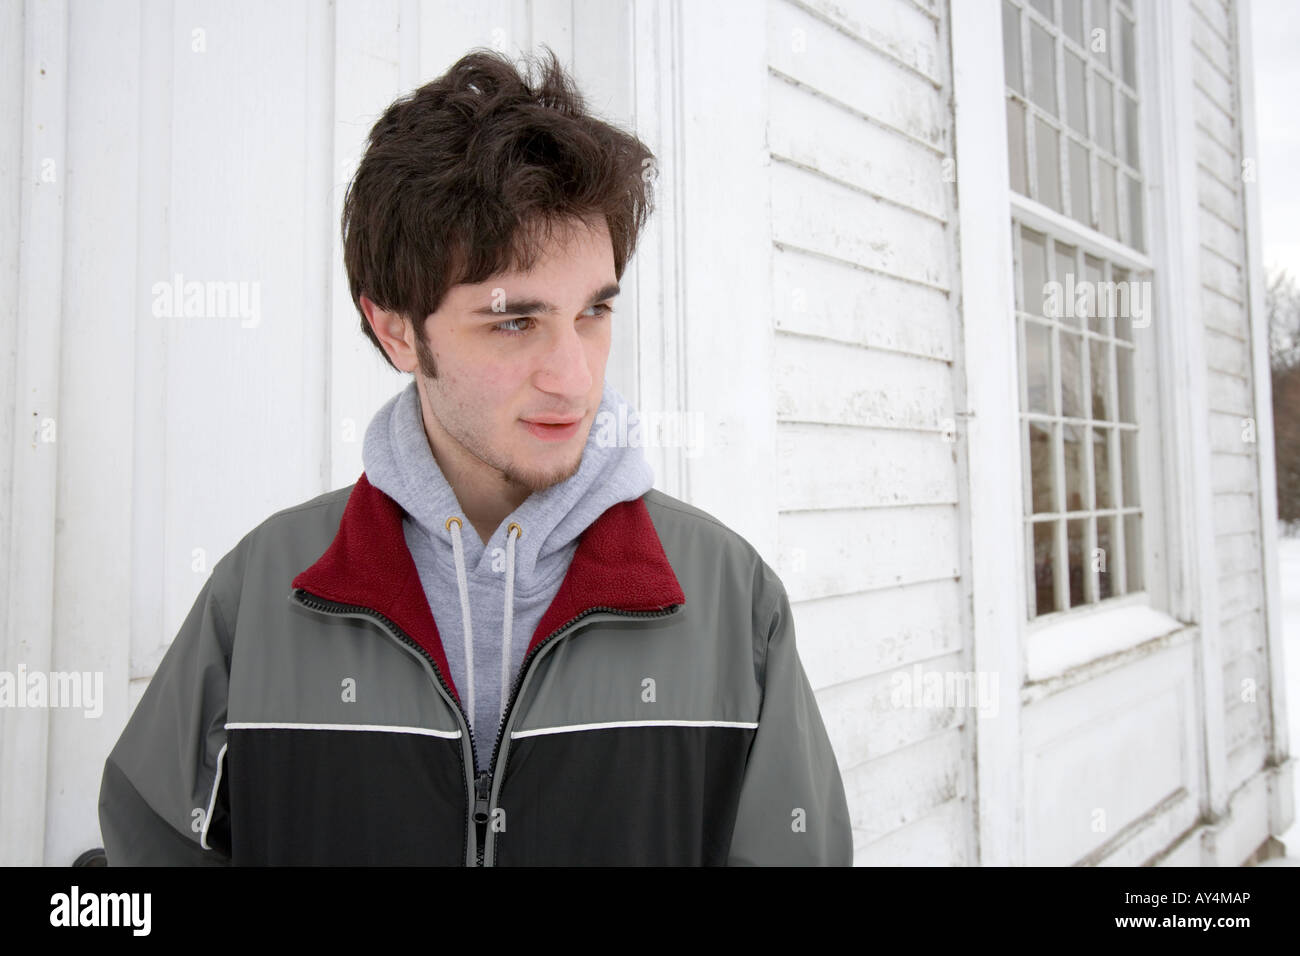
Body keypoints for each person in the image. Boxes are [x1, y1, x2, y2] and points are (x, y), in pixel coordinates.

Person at [98, 45, 852, 866]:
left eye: (593, 313)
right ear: (397, 331)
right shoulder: (261, 594)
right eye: (514, 321)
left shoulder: (732, 602)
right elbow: (146, 847)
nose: (573, 377)